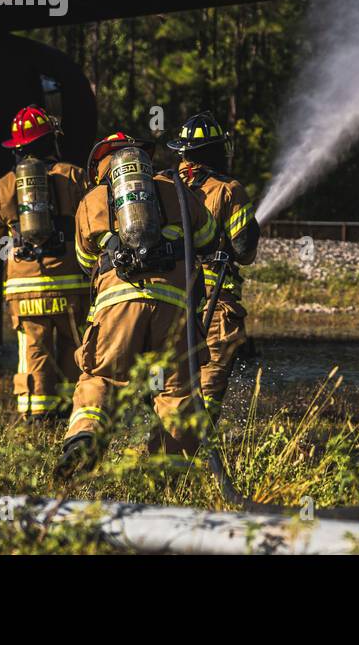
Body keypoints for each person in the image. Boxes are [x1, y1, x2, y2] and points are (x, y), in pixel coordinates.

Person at [56, 132, 215, 479]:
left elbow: (86, 261)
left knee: (101, 377)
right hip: (174, 311)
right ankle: (169, 476)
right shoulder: (176, 190)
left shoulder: (92, 200)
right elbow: (205, 237)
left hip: (117, 307)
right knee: (175, 391)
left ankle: (85, 437)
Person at [0, 106, 88, 422]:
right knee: (75, 347)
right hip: (71, 285)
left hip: (25, 288)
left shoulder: (5, 185)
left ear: (19, 147)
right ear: (50, 141)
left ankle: (37, 416)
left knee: (33, 351)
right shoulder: (73, 175)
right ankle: (76, 411)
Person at [165, 112, 260, 421]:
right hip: (215, 302)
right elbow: (244, 251)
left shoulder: (162, 185)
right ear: (216, 150)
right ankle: (200, 449)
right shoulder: (228, 190)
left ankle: (164, 443)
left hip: (167, 301)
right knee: (209, 382)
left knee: (172, 381)